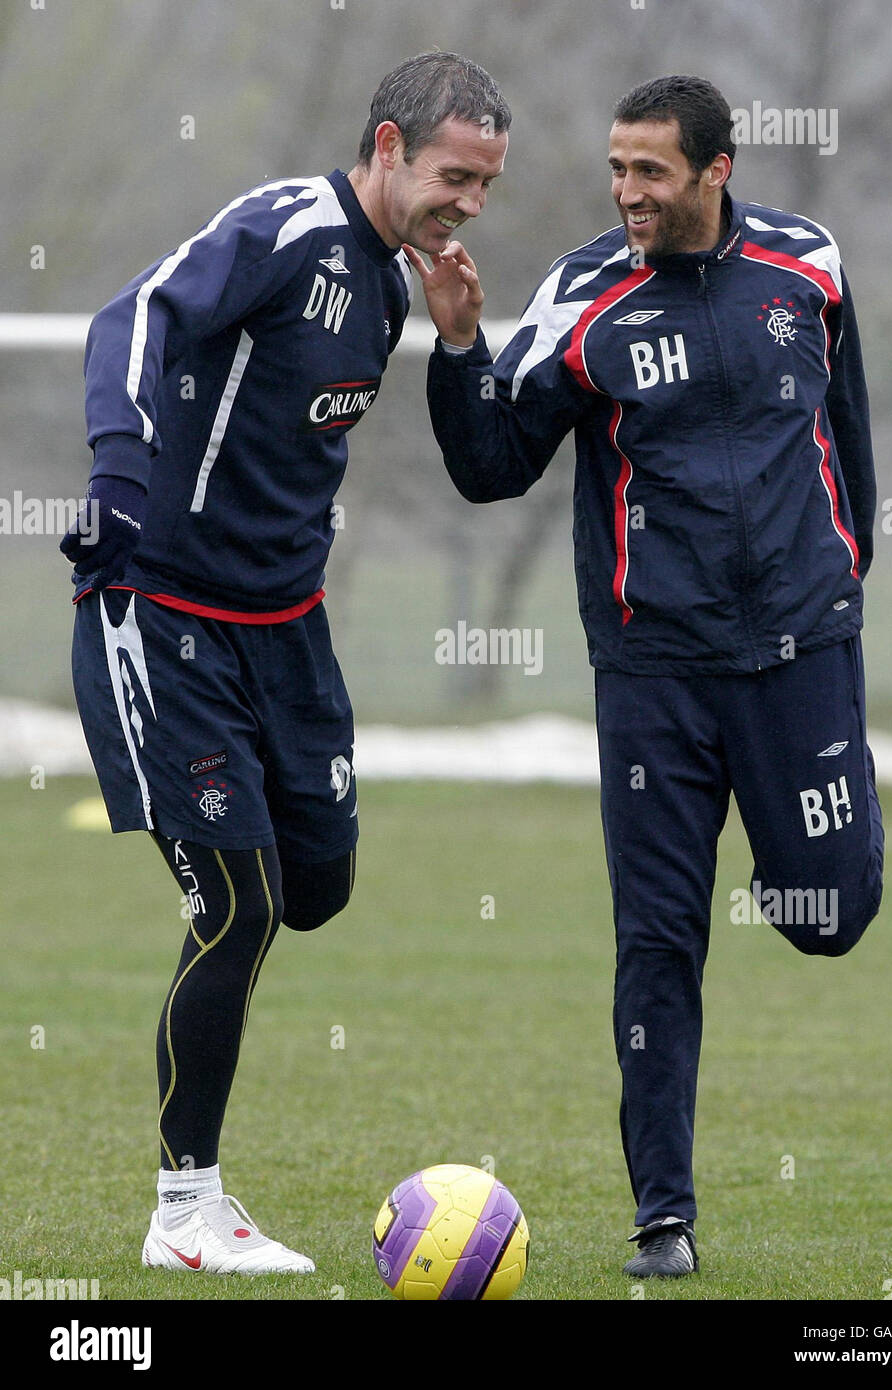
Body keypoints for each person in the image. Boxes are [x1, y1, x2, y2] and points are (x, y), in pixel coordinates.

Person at [406, 74, 884, 1279]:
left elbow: (851, 443)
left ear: (715, 171)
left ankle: (804, 848)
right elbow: (491, 466)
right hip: (652, 675)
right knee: (659, 938)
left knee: (828, 916)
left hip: (798, 655)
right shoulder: (580, 298)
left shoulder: (808, 267)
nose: (625, 192)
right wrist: (460, 344)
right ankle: (660, 1217)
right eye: (615, 168)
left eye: (650, 172)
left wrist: (836, 586)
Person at [60, 52, 510, 1276]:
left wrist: (464, 341)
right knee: (237, 906)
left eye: (484, 185)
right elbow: (134, 315)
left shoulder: (393, 288)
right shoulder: (284, 228)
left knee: (316, 888)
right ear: (384, 146)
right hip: (164, 615)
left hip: (288, 634)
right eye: (451, 176)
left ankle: (192, 1169)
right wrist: (115, 474)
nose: (466, 203)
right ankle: (184, 1209)